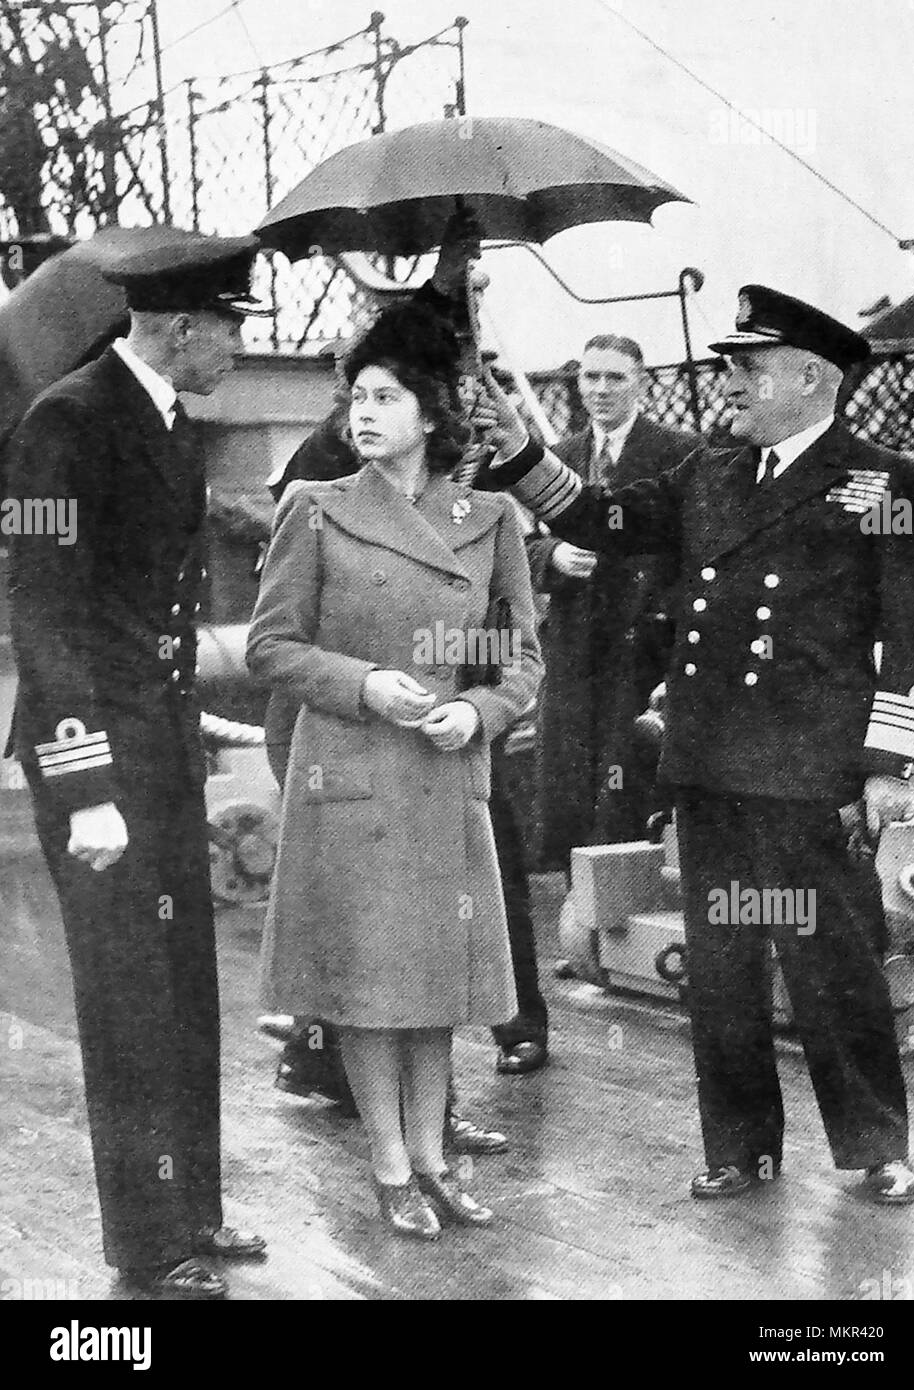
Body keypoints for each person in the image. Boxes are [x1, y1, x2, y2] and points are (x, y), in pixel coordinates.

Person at [477, 284, 914, 1207]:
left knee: (832, 963)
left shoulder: (893, 482)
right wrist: (522, 455)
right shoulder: (709, 474)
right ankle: (740, 1147)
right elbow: (602, 519)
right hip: (710, 761)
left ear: (811, 376)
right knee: (720, 967)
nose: (730, 382)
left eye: (747, 367)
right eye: (729, 364)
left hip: (816, 773)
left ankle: (875, 1146)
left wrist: (894, 765)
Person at [5, 235, 269, 1298]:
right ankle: (149, 1245)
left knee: (183, 991)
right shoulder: (67, 421)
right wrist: (85, 786)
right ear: (177, 326)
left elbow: (145, 616)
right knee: (125, 1003)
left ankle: (194, 1207)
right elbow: (49, 615)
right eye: (234, 325)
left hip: (156, 746)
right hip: (99, 765)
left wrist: (185, 717)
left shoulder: (166, 422)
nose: (241, 345)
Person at [247, 300, 543, 1240]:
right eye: (358, 398)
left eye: (386, 397)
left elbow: (520, 662)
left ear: (431, 413)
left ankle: (433, 1159)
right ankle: (388, 1165)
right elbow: (270, 649)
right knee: (371, 989)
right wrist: (365, 682)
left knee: (435, 985)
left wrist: (480, 709)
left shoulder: (490, 517)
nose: (364, 415)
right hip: (351, 776)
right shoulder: (318, 509)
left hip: (448, 775)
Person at [528, 334, 701, 870]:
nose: (600, 390)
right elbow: (523, 543)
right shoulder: (558, 458)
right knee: (570, 778)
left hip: (645, 646)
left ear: (642, 383)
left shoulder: (682, 453)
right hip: (576, 645)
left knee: (628, 779)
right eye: (590, 377)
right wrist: (553, 555)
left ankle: (623, 912)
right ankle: (578, 912)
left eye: (615, 378)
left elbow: (700, 553)